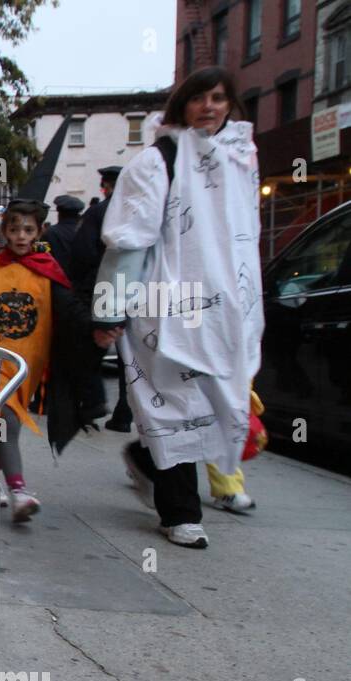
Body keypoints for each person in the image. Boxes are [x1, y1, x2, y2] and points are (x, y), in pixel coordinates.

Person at [100, 67, 263, 549]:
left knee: (214, 406)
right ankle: (180, 514)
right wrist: (109, 312)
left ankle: (149, 459)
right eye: (198, 98)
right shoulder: (157, 161)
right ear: (181, 105)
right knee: (176, 406)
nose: (209, 107)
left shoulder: (241, 157)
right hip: (165, 306)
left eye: (219, 97)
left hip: (227, 310)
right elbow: (128, 243)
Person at [0, 198, 118, 522]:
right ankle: (18, 490)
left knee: (2, 426)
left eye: (27, 229)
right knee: (6, 421)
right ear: (5, 231)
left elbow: (69, 311)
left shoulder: (48, 270)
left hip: (29, 367)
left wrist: (97, 328)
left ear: (38, 231)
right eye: (14, 229)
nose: (20, 235)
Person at [71, 165, 131, 431]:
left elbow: (82, 256)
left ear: (104, 187)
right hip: (140, 291)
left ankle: (92, 403)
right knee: (131, 358)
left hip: (105, 289)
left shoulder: (97, 214)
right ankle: (125, 412)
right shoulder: (141, 212)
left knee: (92, 349)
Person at [41, 194, 86, 276]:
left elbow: (40, 256)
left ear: (59, 213)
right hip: (81, 280)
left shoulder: (50, 232)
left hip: (57, 279)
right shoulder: (85, 231)